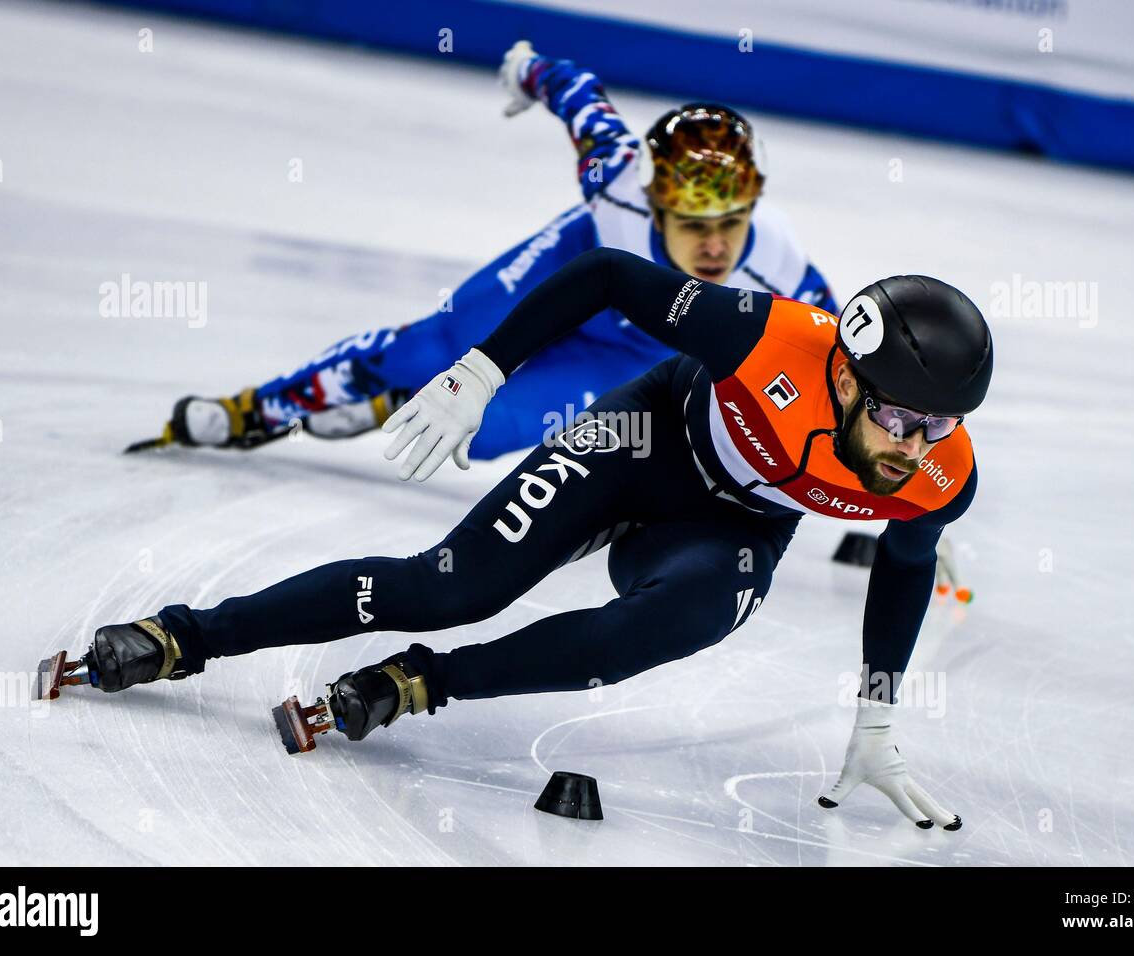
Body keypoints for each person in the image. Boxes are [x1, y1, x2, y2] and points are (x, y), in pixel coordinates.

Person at [57, 247, 993, 829]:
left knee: (676, 624)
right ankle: (186, 637)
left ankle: (421, 681)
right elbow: (609, 277)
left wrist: (877, 714)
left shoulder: (941, 473)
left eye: (939, 426)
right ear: (840, 379)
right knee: (450, 586)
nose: (917, 449)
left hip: (730, 525)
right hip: (644, 441)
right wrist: (482, 368)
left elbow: (905, 572)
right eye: (904, 421)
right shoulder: (764, 338)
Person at [134, 41, 836, 463]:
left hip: (635, 350)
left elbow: (843, 370)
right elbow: (578, 94)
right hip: (574, 269)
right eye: (691, 223)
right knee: (431, 347)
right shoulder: (618, 181)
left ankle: (397, 405)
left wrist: (897, 497)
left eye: (731, 221)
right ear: (654, 203)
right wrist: (526, 67)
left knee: (489, 433)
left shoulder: (778, 261)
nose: (715, 246)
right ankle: (257, 410)